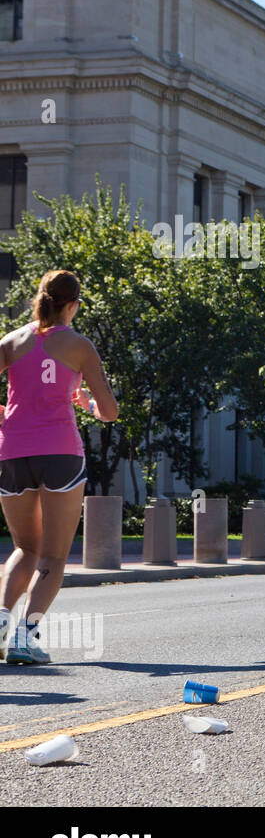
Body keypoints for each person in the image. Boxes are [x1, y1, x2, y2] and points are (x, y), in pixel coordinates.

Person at [0, 271, 118, 663]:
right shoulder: (80, 345)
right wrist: (86, 403)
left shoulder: (12, 341)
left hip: (13, 451)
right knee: (53, 555)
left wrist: (7, 414)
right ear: (73, 305)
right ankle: (24, 636)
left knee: (24, 547)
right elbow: (110, 413)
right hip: (60, 453)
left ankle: (1, 623)